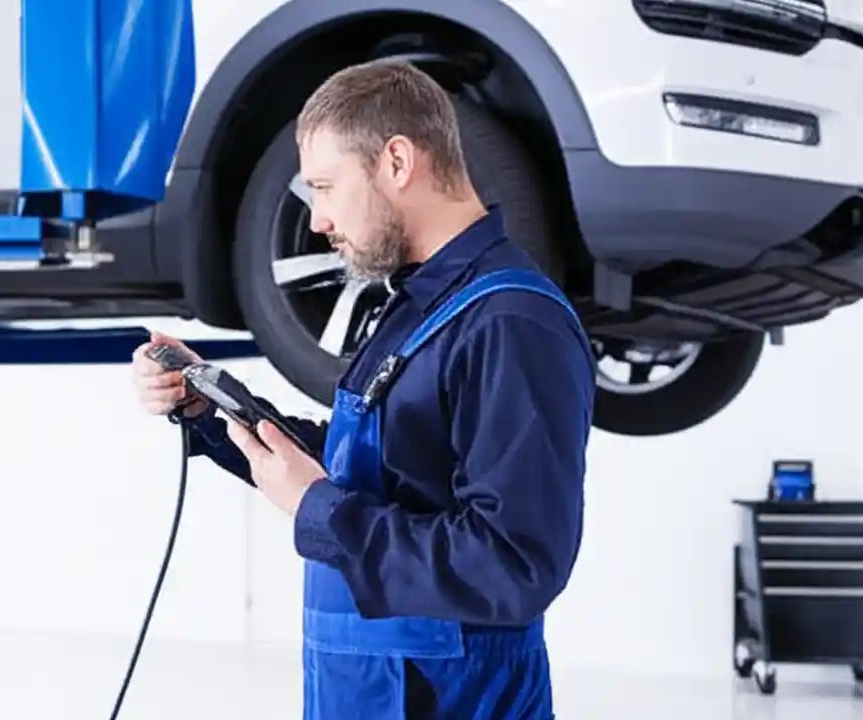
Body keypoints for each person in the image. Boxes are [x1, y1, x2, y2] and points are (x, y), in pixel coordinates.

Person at [132, 60, 594, 719]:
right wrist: (213, 412)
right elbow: (371, 471)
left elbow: (513, 566)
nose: (316, 219)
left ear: (397, 161)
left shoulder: (511, 322)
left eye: (324, 186)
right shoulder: (416, 304)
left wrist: (318, 509)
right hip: (362, 691)